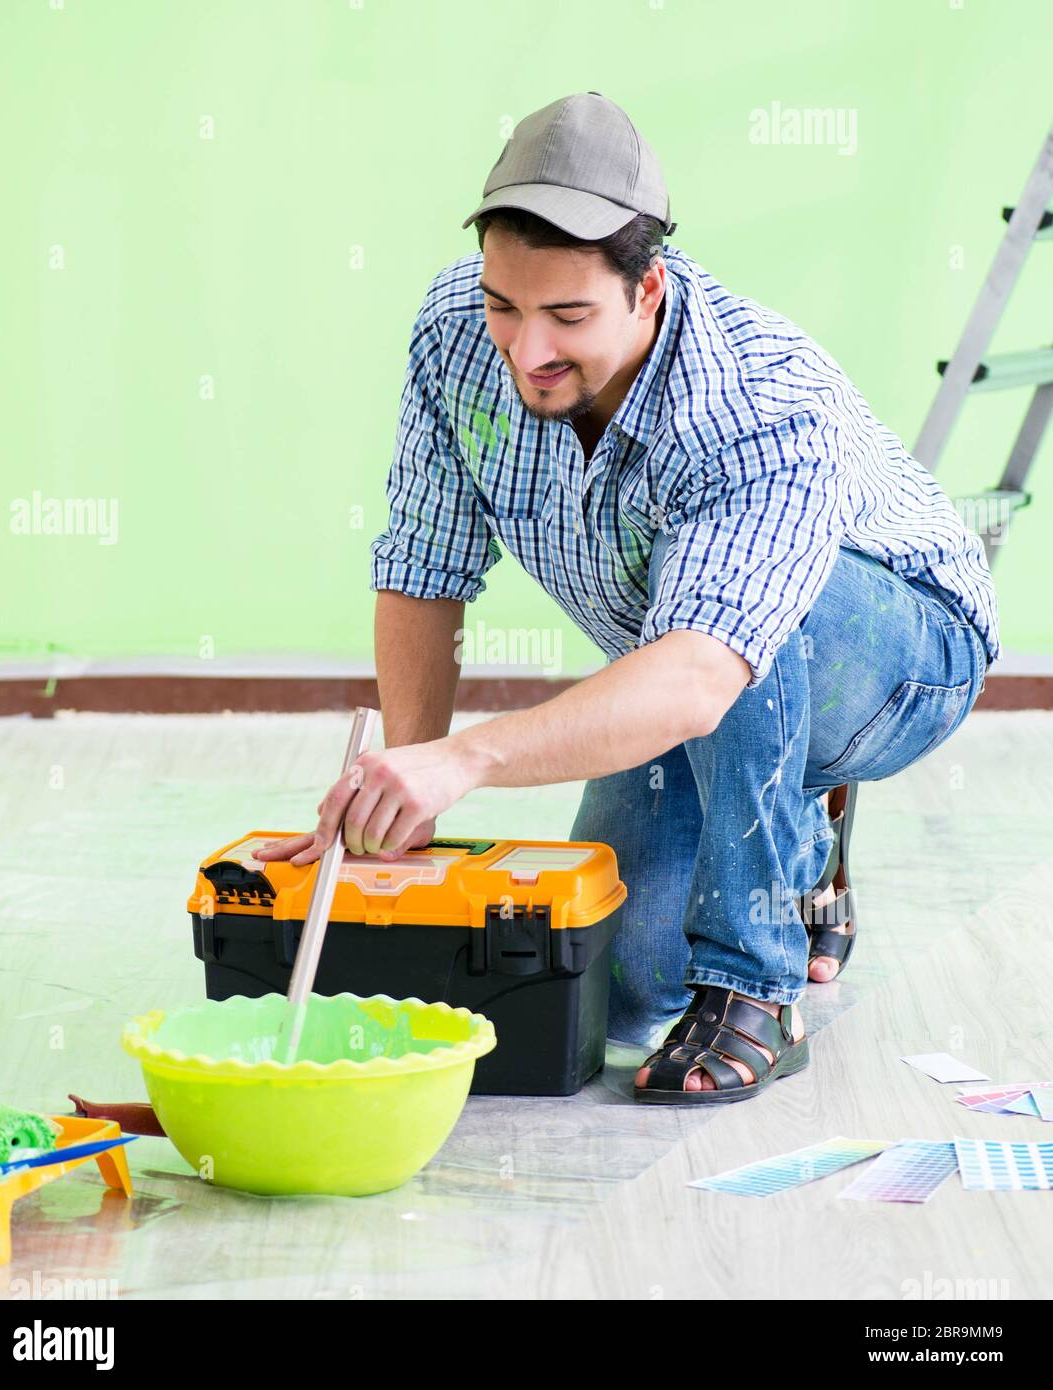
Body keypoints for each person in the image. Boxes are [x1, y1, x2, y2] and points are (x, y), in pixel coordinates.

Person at [255, 92, 999, 1105]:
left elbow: (700, 671)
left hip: (896, 653)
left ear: (648, 289)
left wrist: (463, 758)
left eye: (567, 316)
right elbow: (422, 568)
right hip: (691, 661)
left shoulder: (750, 396)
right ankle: (794, 833)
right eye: (505, 305)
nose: (525, 349)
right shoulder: (451, 338)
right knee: (623, 984)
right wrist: (406, 790)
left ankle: (757, 986)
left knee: (745, 633)